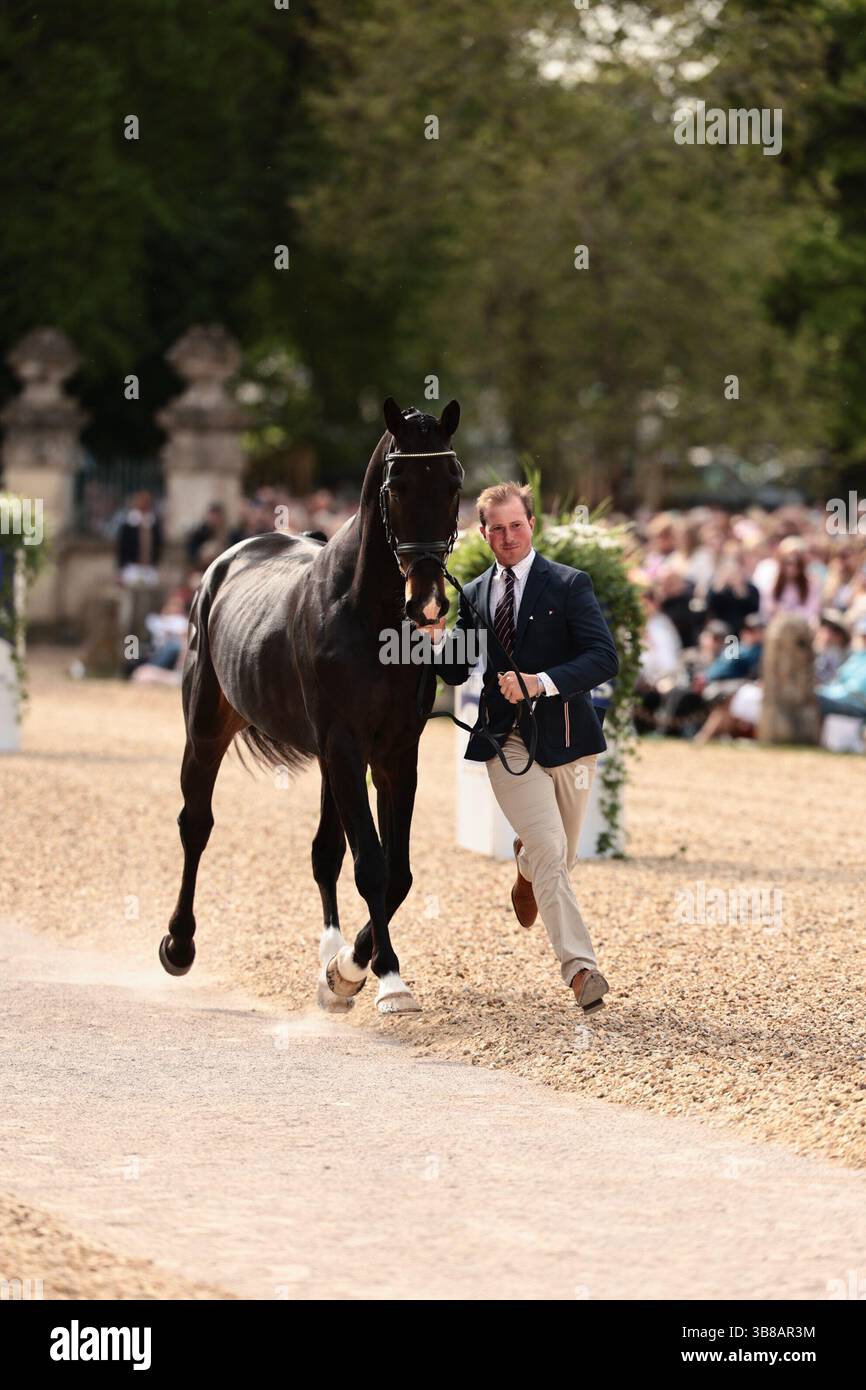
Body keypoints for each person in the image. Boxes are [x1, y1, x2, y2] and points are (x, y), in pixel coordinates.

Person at [419, 481, 620, 1014]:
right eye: (497, 529)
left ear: (532, 524)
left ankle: (525, 867)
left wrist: (540, 681)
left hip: (571, 743)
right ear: (483, 534)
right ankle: (580, 969)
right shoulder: (477, 593)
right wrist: (436, 638)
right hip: (505, 742)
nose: (508, 537)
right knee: (554, 849)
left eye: (516, 525)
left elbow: (604, 658)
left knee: (559, 855)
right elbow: (459, 669)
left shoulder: (570, 584)